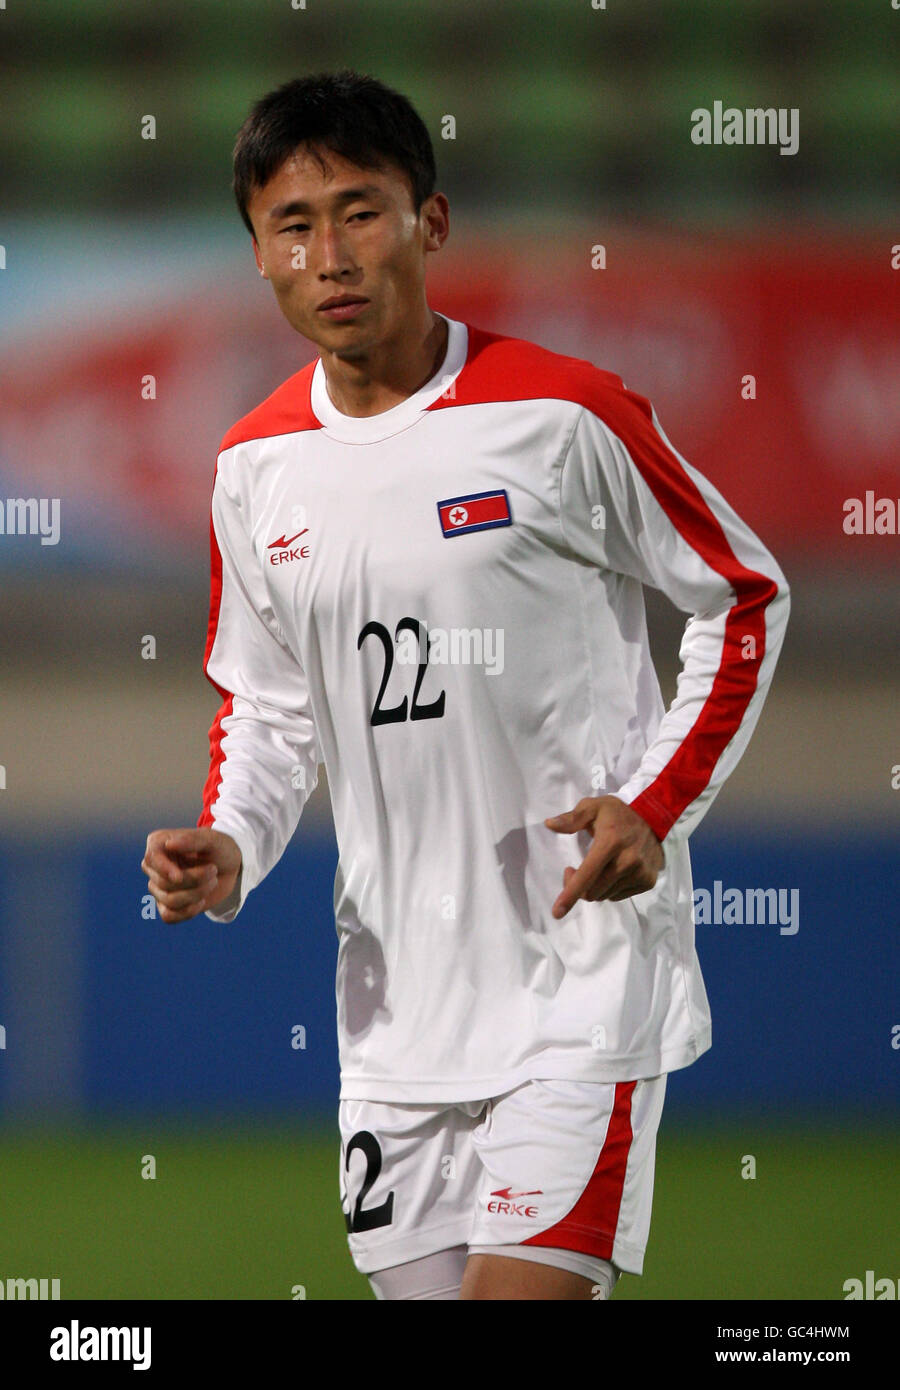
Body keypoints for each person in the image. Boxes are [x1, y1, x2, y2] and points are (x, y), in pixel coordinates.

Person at [141, 69, 790, 1301]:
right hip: (393, 1017)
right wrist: (232, 839)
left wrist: (654, 805)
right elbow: (270, 707)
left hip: (579, 988)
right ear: (259, 258)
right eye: (293, 224)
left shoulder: (564, 415)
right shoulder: (253, 468)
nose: (330, 253)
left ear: (430, 224)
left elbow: (743, 596)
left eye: (360, 210)